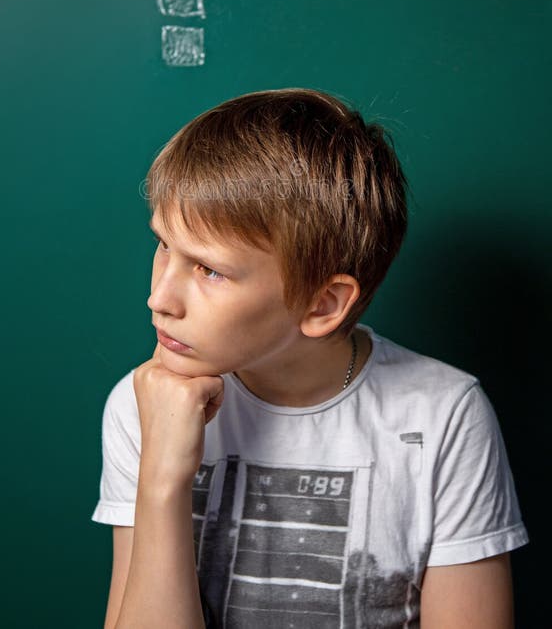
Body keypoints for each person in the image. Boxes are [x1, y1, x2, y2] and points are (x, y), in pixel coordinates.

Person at [91, 88, 528, 629]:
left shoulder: (443, 416)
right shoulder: (146, 402)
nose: (160, 298)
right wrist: (162, 476)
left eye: (210, 270)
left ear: (322, 304)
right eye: (164, 246)